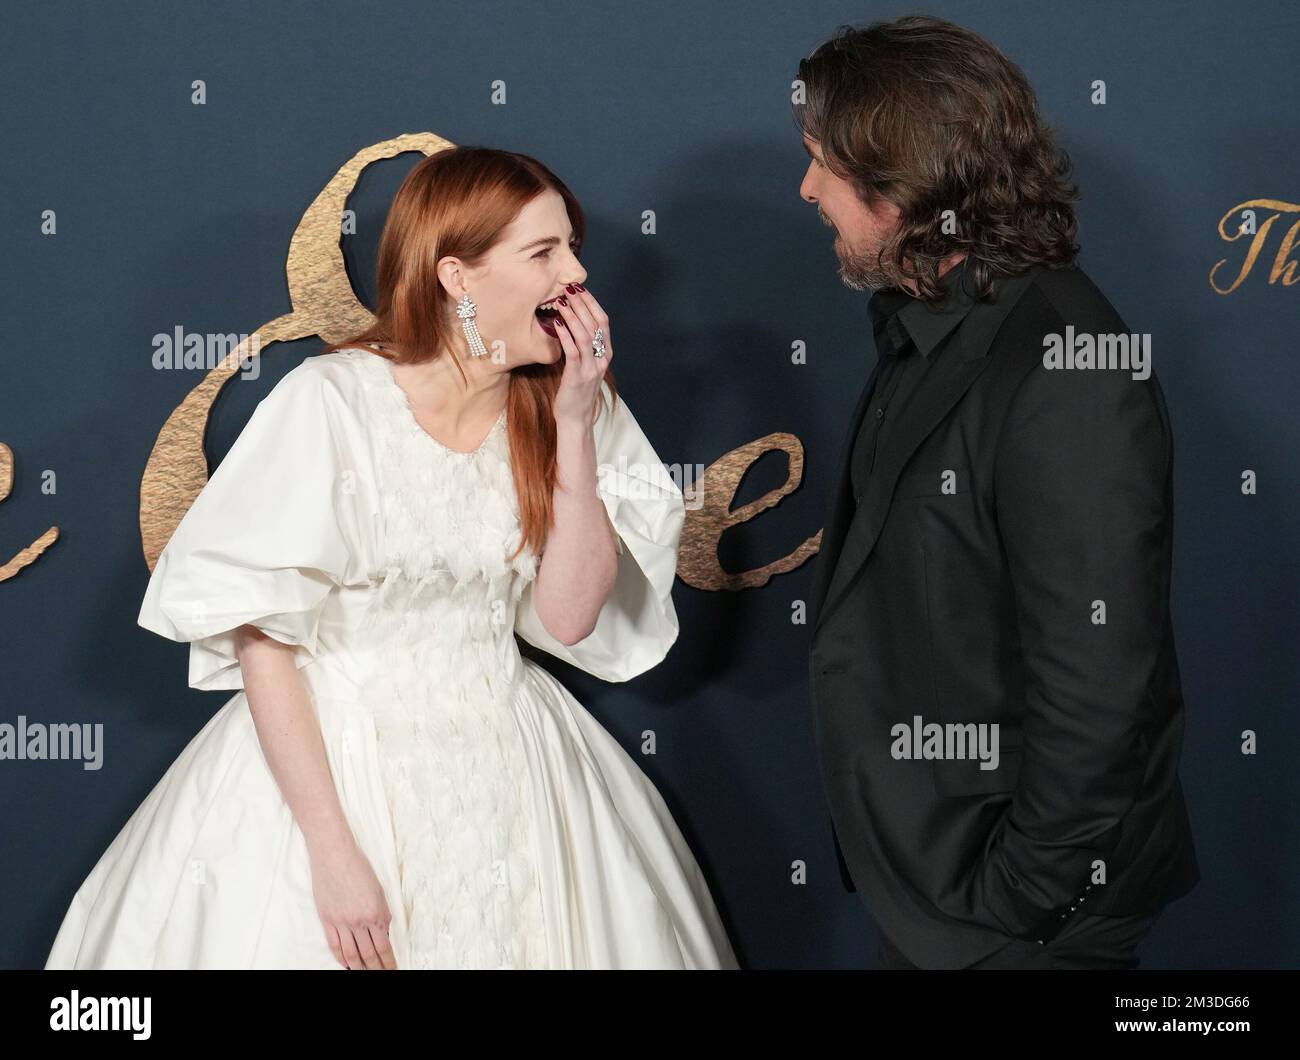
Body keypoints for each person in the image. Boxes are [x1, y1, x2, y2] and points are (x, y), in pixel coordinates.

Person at [45, 145, 738, 971]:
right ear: (457, 276)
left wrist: (578, 427)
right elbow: (263, 640)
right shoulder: (331, 400)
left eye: (573, 247)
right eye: (545, 251)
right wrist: (332, 856)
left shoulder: (563, 406)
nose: (577, 276)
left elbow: (570, 614)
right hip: (332, 766)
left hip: (513, 759)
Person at [798, 17, 1199, 969]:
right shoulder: (935, 316)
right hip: (944, 891)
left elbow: (1099, 678)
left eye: (820, 162)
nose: (807, 188)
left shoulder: (1066, 367)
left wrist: (1022, 899)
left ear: (903, 183)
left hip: (1020, 916)